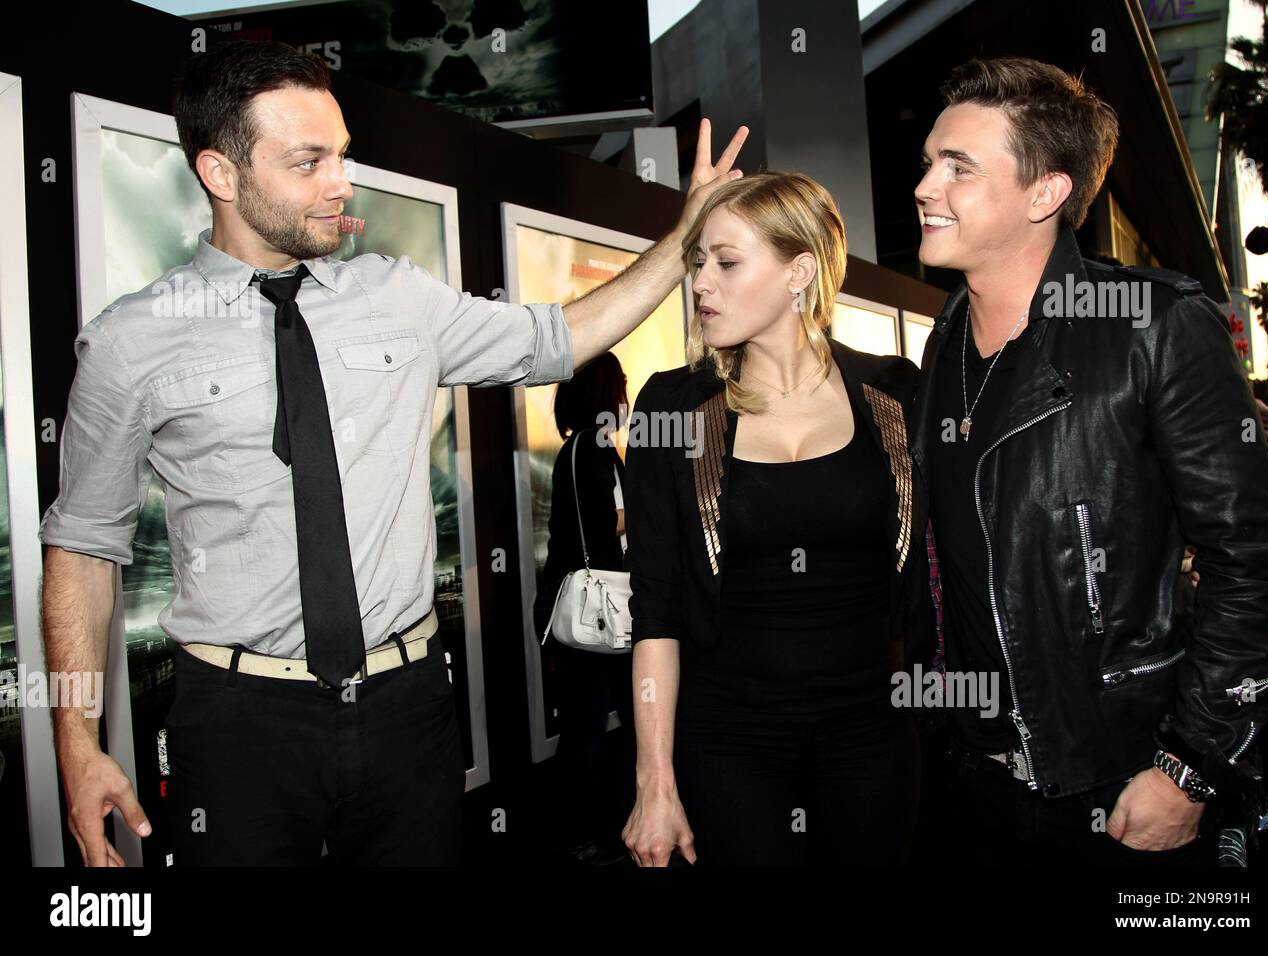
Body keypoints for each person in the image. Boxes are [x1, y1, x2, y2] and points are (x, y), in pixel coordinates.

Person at [39, 38, 748, 866]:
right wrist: (76, 745)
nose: (341, 183)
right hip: (237, 725)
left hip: (407, 708)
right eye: (308, 162)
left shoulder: (396, 295)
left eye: (341, 155)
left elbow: (557, 338)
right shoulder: (131, 341)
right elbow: (81, 547)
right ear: (220, 174)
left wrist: (684, 235)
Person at [911, 56, 1268, 866]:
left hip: (1121, 787)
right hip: (969, 786)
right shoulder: (943, 345)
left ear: (1045, 194)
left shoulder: (1153, 326)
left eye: (958, 168)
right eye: (928, 163)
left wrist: (1189, 767)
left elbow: (1253, 561)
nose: (924, 187)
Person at [620, 172, 936, 866]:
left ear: (800, 272)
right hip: (727, 741)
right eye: (698, 262)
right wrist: (654, 782)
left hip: (871, 733)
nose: (701, 283)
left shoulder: (896, 393)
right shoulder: (673, 408)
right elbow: (656, 611)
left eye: (727, 262)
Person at [533, 353, 635, 864]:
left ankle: (593, 828)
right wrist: (642, 509)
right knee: (589, 729)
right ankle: (574, 834)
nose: (624, 395)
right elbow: (599, 526)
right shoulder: (592, 447)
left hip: (586, 610)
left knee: (590, 725)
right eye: (620, 385)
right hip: (594, 612)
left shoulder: (581, 447)